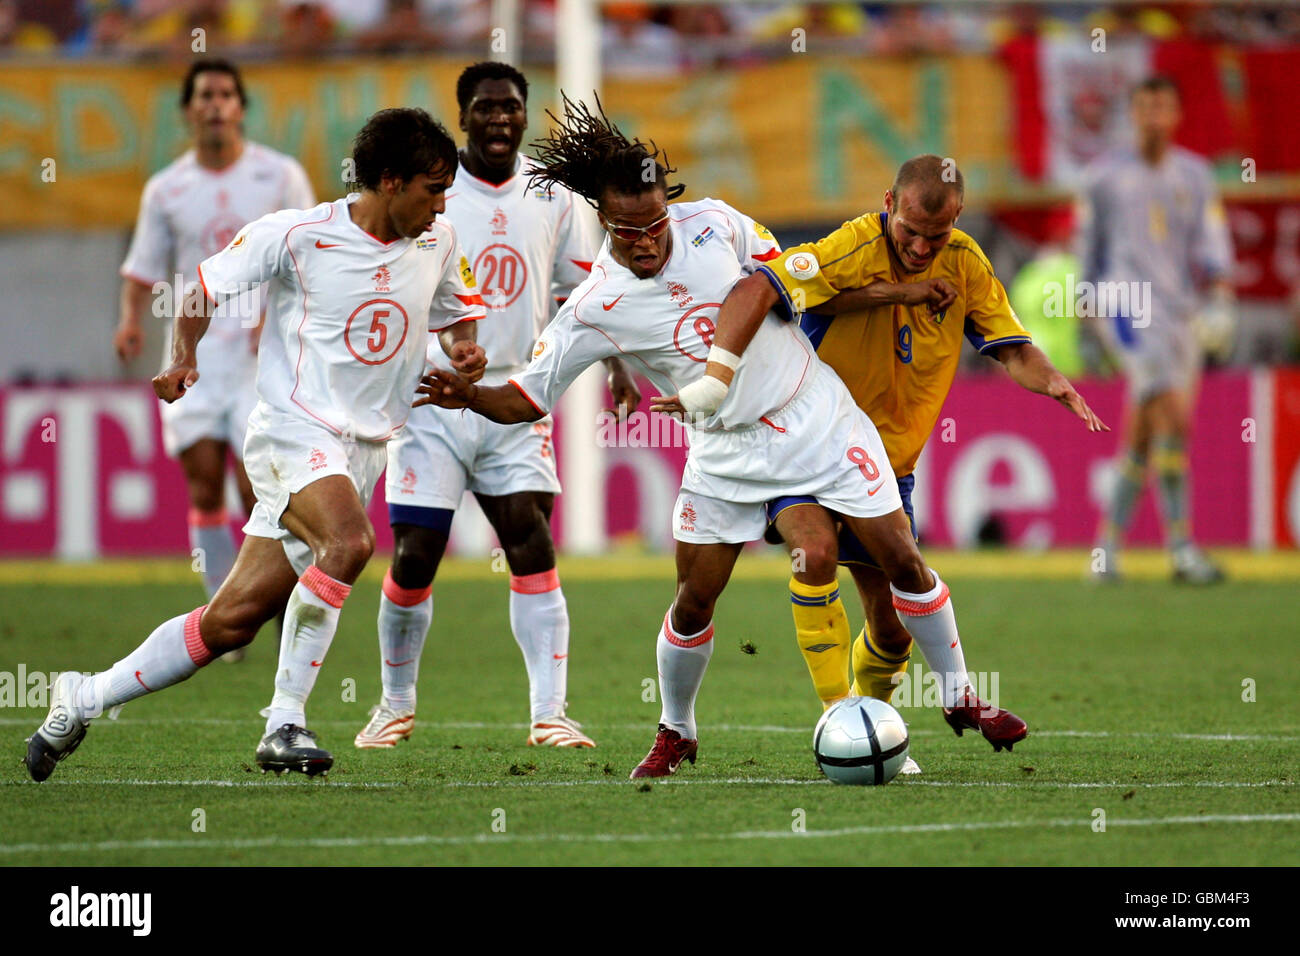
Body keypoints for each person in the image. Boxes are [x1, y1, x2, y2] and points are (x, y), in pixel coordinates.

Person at [418, 98, 1024, 779]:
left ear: (667, 207)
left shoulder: (715, 225)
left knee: (900, 559)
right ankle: (676, 730)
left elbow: (784, 286)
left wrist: (888, 295)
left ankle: (961, 695)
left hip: (815, 416)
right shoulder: (595, 307)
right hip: (725, 453)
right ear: (603, 224)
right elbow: (528, 397)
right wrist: (469, 393)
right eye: (627, 232)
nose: (646, 240)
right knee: (694, 598)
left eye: (654, 224)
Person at [25, 108, 487, 781]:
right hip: (291, 434)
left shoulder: (437, 241)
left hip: (361, 452)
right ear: (389, 181)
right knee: (351, 544)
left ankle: (83, 695)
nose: (443, 203)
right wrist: (184, 356)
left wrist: (463, 352)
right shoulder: (298, 234)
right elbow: (202, 288)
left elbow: (456, 316)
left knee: (231, 622)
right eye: (433, 187)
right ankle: (284, 723)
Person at [679, 155, 1104, 770]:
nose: (921, 246)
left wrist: (1055, 382)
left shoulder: (967, 265)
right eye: (909, 231)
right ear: (889, 204)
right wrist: (717, 379)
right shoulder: (851, 244)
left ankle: (870, 725)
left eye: (937, 235)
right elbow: (772, 291)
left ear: (957, 220)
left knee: (893, 625)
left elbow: (1012, 348)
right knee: (815, 553)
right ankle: (839, 714)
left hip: (883, 465)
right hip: (805, 446)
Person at [356, 62, 639, 752]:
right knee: (417, 552)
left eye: (511, 106)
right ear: (464, 116)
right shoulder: (433, 192)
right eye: (485, 107)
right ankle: (394, 706)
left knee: (531, 542)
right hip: (431, 398)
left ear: (523, 112)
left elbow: (586, 292)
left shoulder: (554, 199)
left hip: (516, 397)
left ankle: (550, 715)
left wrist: (616, 358)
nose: (500, 118)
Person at [115, 58, 315, 663]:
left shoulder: (280, 176)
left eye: (227, 94)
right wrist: (128, 322)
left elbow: (311, 250)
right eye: (204, 95)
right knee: (205, 488)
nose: (216, 104)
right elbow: (143, 268)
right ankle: (222, 617)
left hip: (261, 360)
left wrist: (281, 316)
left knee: (258, 492)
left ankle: (259, 610)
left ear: (241, 106)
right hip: (192, 356)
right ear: (188, 109)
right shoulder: (167, 188)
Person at [1080, 76, 1235, 584]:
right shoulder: (1104, 177)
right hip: (1124, 306)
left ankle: (1105, 550)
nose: (1153, 116)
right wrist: (1085, 314)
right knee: (1170, 412)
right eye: (1144, 106)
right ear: (1133, 113)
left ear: (1176, 115)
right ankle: (1183, 549)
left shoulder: (1194, 174)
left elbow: (1211, 243)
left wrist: (1219, 300)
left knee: (1149, 432)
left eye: (1162, 106)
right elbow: (1090, 249)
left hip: (1178, 313)